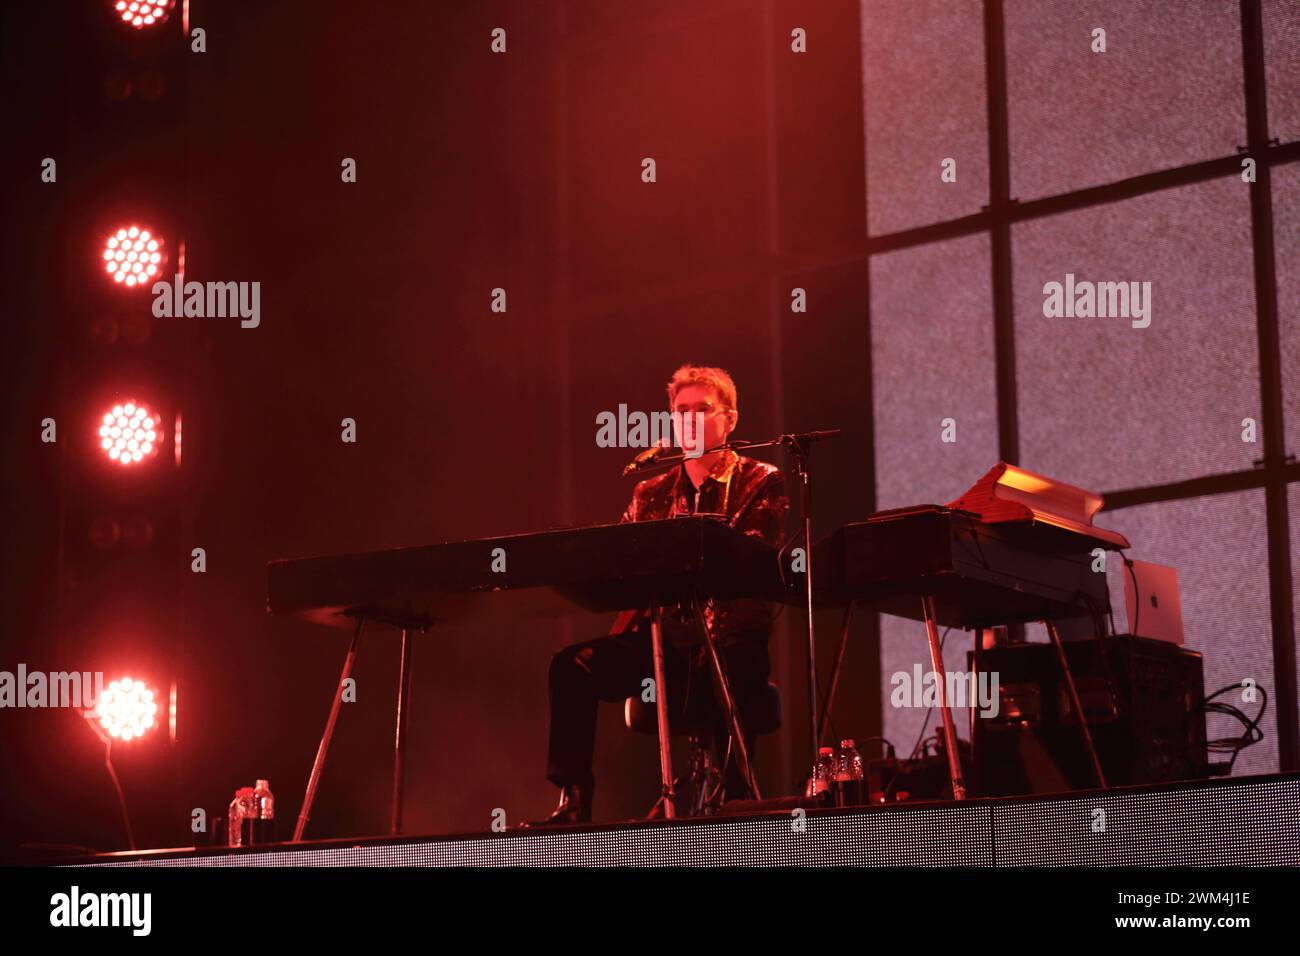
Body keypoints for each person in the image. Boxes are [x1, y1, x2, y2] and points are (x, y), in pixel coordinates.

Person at [530, 364, 789, 825]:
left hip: (730, 634)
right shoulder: (649, 491)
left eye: (701, 409)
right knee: (571, 666)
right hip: (663, 643)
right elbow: (620, 567)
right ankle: (573, 798)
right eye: (680, 410)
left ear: (730, 419)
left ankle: (736, 798)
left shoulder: (761, 479)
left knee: (739, 661)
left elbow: (753, 561)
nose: (688, 419)